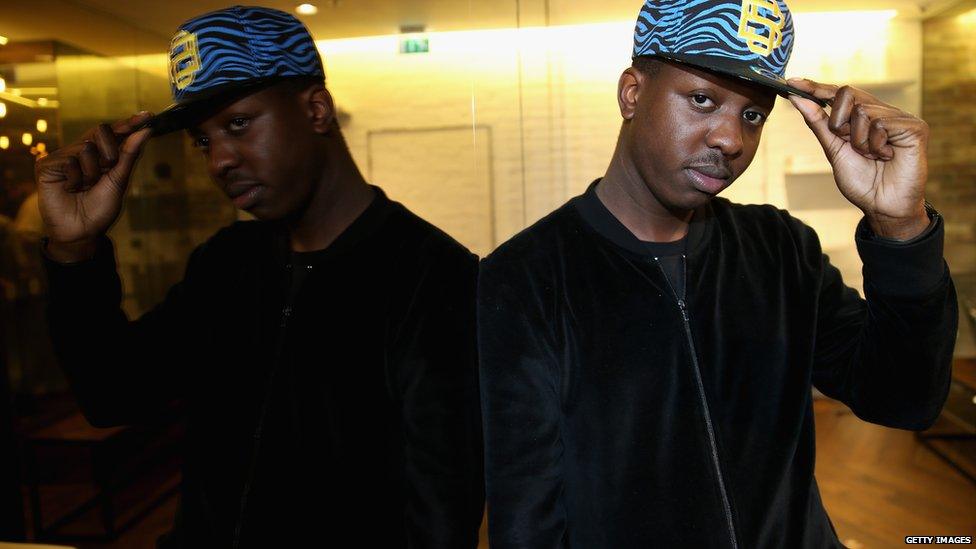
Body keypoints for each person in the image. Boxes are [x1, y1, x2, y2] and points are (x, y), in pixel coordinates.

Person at [478, 1, 957, 547]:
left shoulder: (779, 250)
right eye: (702, 100)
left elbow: (904, 398)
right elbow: (529, 517)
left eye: (752, 115)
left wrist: (901, 225)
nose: (731, 140)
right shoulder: (525, 279)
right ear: (632, 94)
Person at [36, 6, 483, 548]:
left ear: (316, 110)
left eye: (238, 124)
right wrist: (75, 250)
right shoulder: (227, 262)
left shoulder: (432, 277)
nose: (218, 161)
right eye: (203, 140)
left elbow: (439, 516)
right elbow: (113, 395)